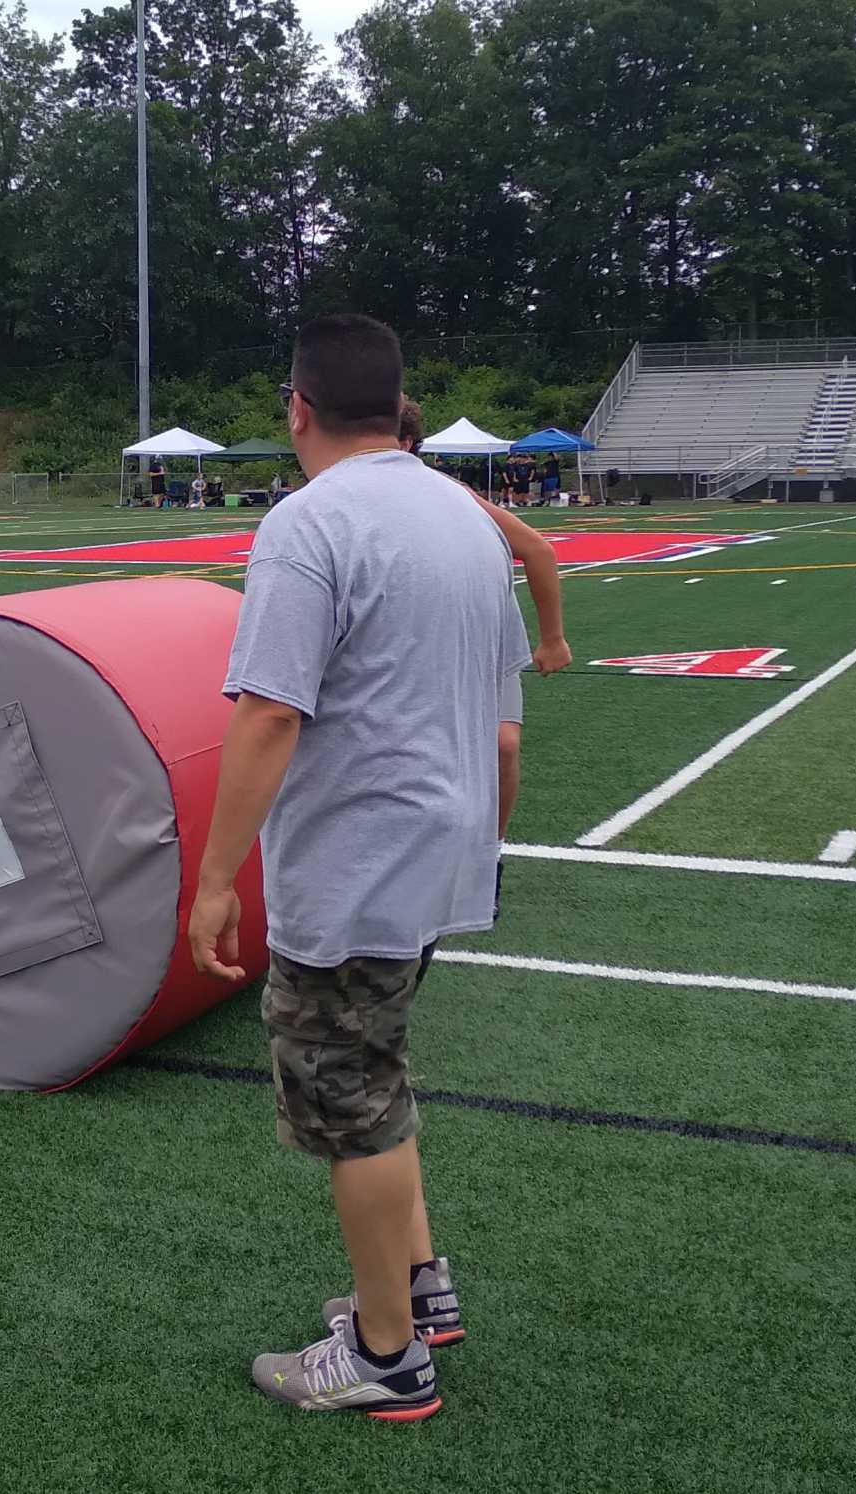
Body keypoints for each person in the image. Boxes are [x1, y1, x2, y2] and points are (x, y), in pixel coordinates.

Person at [191, 317, 528, 1420]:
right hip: (435, 851)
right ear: (395, 405)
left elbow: (268, 715)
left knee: (346, 1099)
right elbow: (505, 725)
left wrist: (212, 877)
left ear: (295, 407)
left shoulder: (308, 523)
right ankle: (417, 1291)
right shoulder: (465, 519)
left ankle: (387, 1353)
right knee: (376, 1073)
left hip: (354, 862)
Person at [397, 402, 571, 881]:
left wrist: (552, 638)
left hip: (483, 638)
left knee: (503, 745)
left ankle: (488, 853)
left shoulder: (449, 494)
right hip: (416, 645)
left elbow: (537, 549)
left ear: (407, 444)